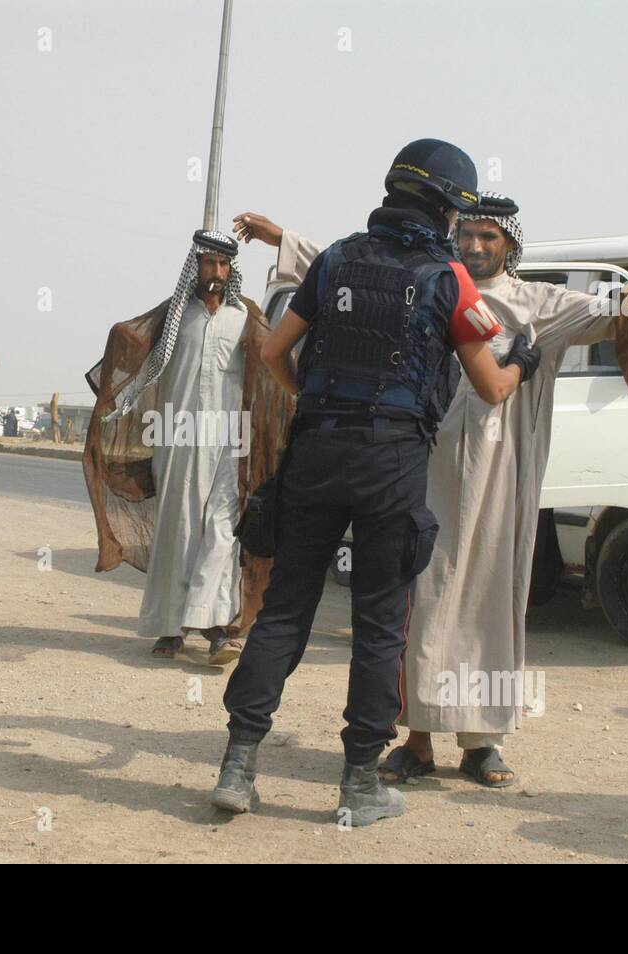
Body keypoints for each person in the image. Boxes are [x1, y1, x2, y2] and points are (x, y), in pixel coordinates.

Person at [233, 194, 615, 788]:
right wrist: (278, 233)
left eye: (490, 237)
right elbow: (336, 265)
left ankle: (482, 742)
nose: (476, 245)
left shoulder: (540, 304)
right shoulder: (434, 280)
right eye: (469, 234)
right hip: (419, 471)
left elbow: (615, 314)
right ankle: (415, 741)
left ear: (510, 246)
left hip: (496, 482)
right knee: (417, 604)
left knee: (490, 602)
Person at [212, 140, 541, 826]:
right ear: (446, 206)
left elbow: (274, 351)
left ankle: (238, 767)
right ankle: (360, 782)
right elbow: (489, 386)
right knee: (379, 624)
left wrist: (318, 406)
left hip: (316, 450)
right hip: (391, 462)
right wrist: (524, 364)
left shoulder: (335, 258)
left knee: (284, 611)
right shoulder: (451, 278)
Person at [82, 231, 293, 666]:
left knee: (222, 528)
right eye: (208, 263)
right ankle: (169, 627)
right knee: (178, 526)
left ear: (232, 269)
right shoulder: (174, 316)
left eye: (222, 265)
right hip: (177, 435)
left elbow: (275, 365)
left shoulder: (245, 316)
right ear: (195, 266)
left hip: (231, 439)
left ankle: (216, 624)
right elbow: (137, 354)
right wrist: (116, 402)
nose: (215, 273)